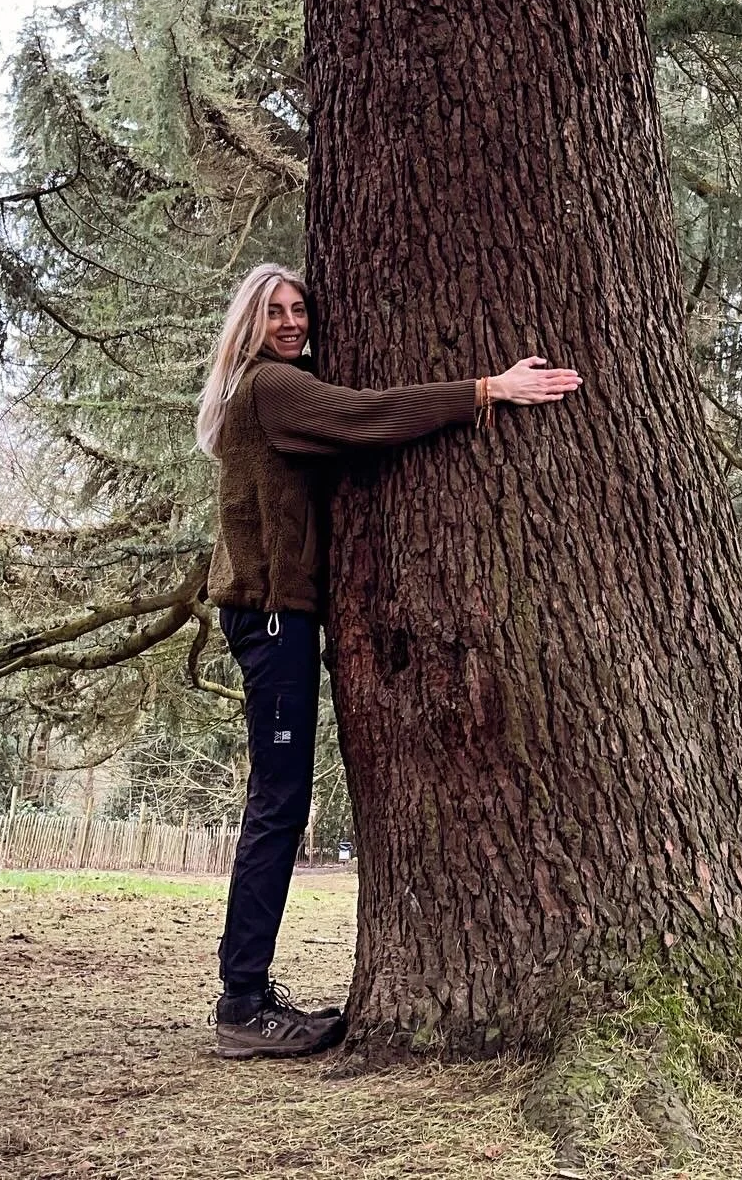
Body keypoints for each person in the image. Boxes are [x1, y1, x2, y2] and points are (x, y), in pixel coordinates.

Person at [194, 262, 582, 1058]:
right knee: (277, 803)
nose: (292, 321)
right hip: (271, 619)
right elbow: (369, 416)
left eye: (301, 308)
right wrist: (488, 389)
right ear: (249, 322)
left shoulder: (267, 387)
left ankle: (248, 991)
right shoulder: (271, 386)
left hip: (275, 618)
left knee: (280, 799)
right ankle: (240, 1002)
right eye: (275, 310)